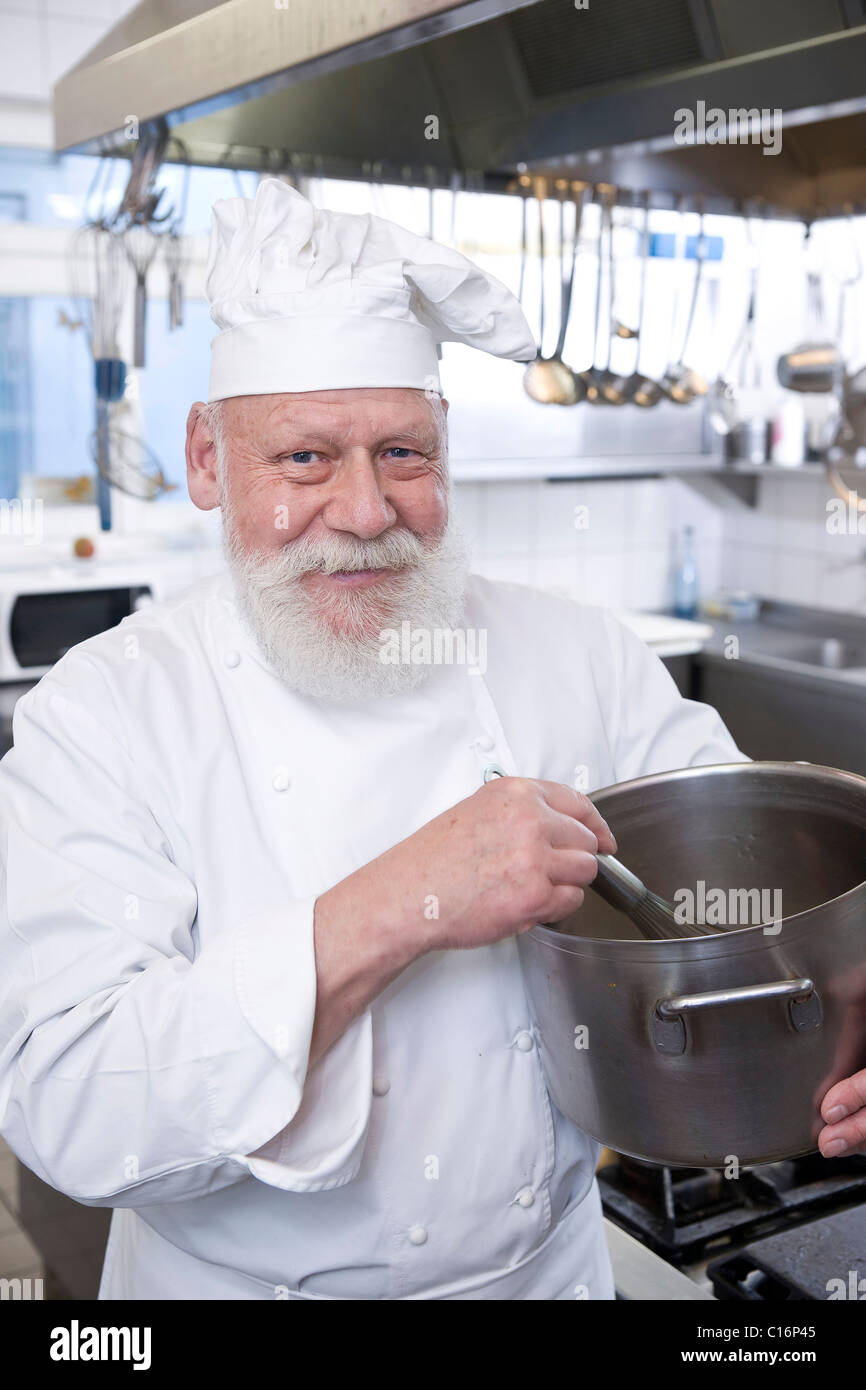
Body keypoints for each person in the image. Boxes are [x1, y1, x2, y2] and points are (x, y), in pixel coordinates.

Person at [0, 180, 861, 1301]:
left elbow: (749, 905)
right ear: (209, 459)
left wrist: (847, 1013)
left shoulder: (578, 657)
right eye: (303, 459)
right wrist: (406, 897)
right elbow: (72, 1106)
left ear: (446, 448)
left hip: (544, 1281)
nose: (363, 511)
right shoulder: (106, 713)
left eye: (401, 454)